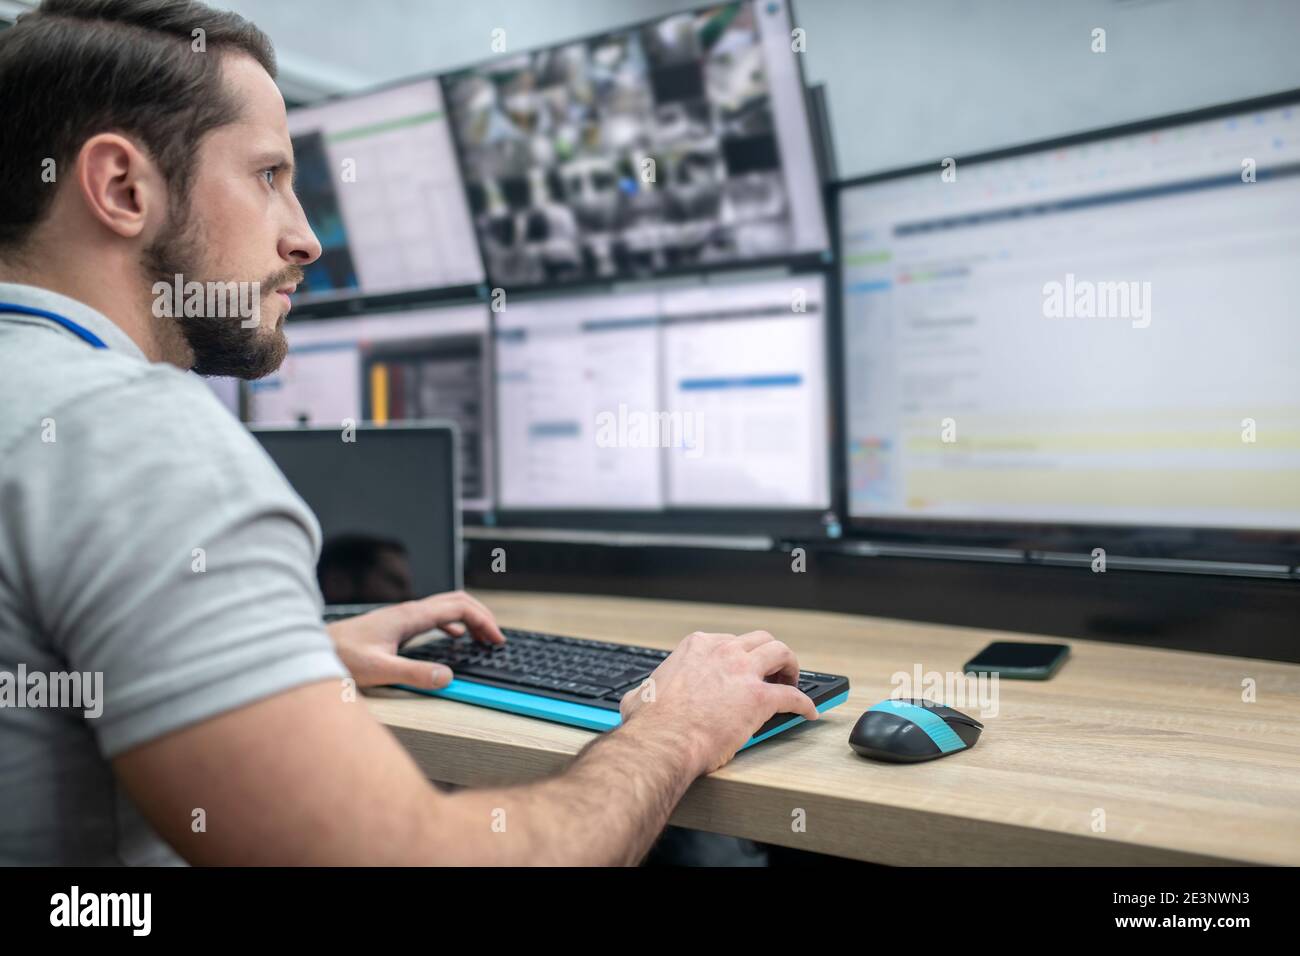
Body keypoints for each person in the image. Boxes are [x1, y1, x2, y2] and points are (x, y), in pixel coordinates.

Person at [0, 0, 817, 865]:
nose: (306, 238)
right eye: (270, 175)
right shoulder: (135, 434)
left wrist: (270, 662)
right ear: (124, 187)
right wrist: (675, 728)